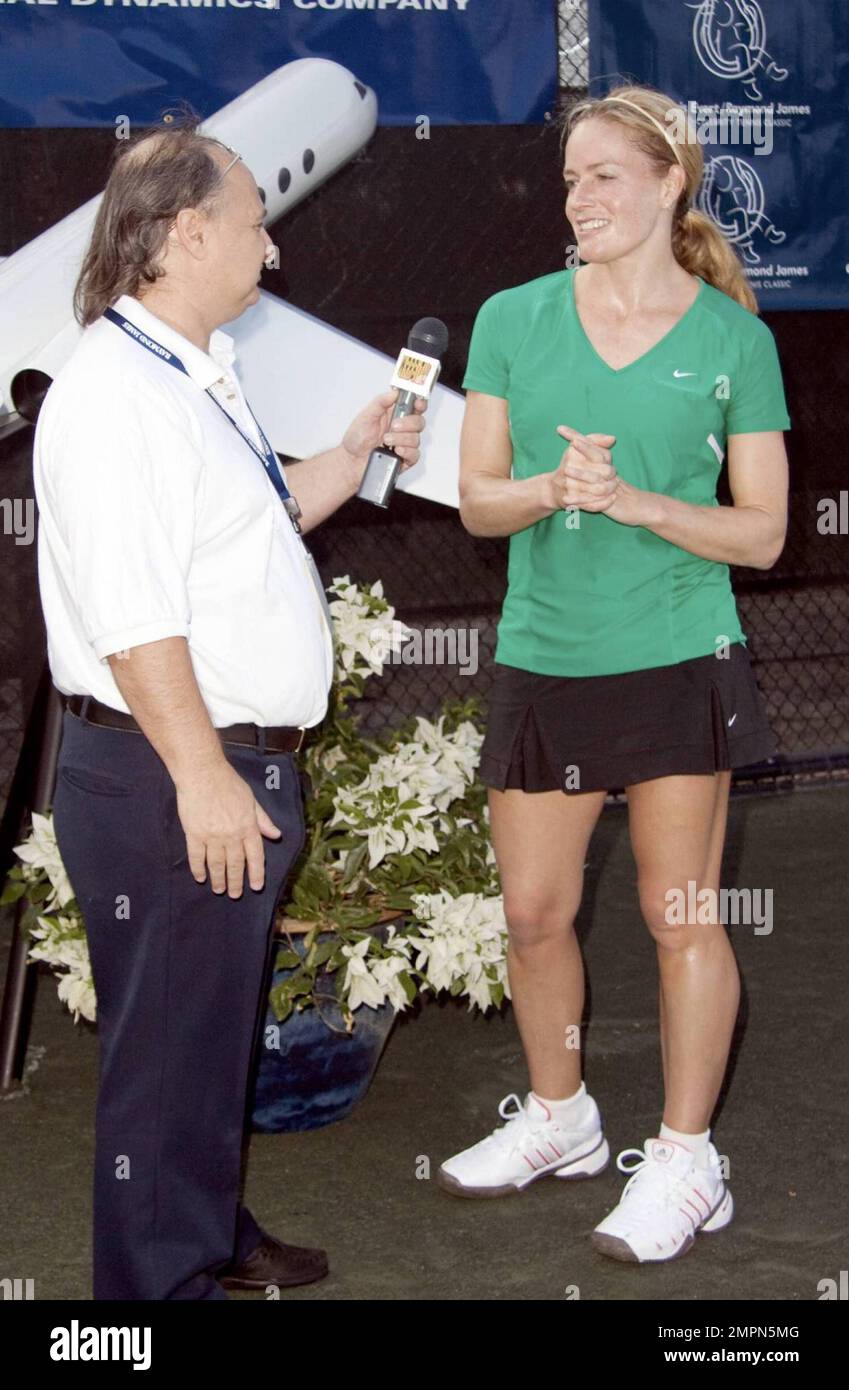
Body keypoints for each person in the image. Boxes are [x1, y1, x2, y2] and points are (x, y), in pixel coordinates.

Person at [33, 118, 426, 1300]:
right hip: (175, 776)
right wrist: (206, 776)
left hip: (204, 773)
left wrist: (352, 457)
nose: (271, 238)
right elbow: (135, 618)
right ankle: (160, 1294)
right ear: (187, 231)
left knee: (199, 1044)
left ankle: (206, 1232)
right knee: (165, 1063)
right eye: (254, 215)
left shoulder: (183, 371)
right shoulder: (116, 393)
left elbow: (245, 529)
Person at [438, 84, 791, 1264]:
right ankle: (563, 1117)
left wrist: (637, 501)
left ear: (667, 182)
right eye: (571, 179)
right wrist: (552, 489)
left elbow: (766, 533)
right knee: (535, 915)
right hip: (545, 656)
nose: (580, 198)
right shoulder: (511, 318)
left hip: (680, 653)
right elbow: (478, 499)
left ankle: (687, 1161)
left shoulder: (735, 340)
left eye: (604, 176)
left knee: (678, 913)